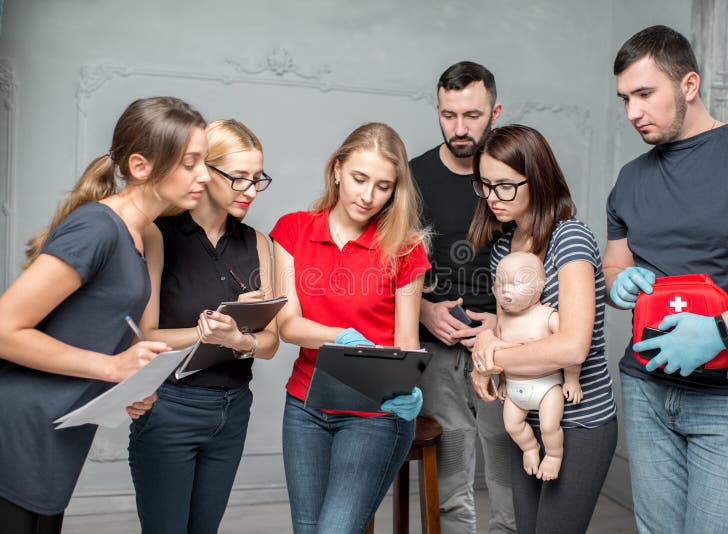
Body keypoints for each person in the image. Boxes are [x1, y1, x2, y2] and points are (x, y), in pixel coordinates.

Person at [604, 25, 728, 534]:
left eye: (645, 94)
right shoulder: (630, 178)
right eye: (625, 99)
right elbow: (614, 266)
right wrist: (620, 283)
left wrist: (719, 332)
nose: (633, 113)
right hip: (647, 389)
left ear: (688, 85)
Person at [0, 96, 208, 533]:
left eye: (203, 162)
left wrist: (127, 384)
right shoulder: (98, 227)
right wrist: (112, 367)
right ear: (140, 166)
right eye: (190, 163)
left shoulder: (141, 234)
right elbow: (4, 330)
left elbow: (91, 329)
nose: (204, 176)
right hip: (19, 432)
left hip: (57, 436)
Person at [270, 122, 430, 534]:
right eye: (360, 179)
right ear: (337, 169)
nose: (368, 196)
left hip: (375, 412)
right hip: (305, 408)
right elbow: (287, 324)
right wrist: (339, 337)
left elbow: (407, 342)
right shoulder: (293, 231)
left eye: (383, 186)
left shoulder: (406, 248)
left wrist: (409, 389)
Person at [127, 119, 280, 534]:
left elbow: (270, 343)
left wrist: (239, 338)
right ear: (204, 170)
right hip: (170, 406)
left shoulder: (258, 242)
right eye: (239, 178)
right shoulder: (158, 234)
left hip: (233, 410)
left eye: (258, 178)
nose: (251, 190)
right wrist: (213, 331)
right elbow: (146, 335)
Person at [469, 124, 618, 533]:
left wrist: (492, 358)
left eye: (505, 186)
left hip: (579, 421)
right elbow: (507, 328)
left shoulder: (570, 238)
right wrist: (487, 346)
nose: (492, 197)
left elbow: (572, 347)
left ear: (537, 180)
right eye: (485, 185)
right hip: (526, 419)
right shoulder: (504, 247)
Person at [410, 60, 516, 534]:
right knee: (450, 483)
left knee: (510, 480)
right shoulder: (413, 176)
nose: (459, 128)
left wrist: (503, 323)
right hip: (436, 352)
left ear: (495, 112)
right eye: (448, 115)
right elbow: (389, 266)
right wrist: (424, 311)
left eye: (472, 115)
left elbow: (540, 259)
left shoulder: (512, 176)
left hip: (504, 350)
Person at [489, 251, 583, 481]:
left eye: (516, 283)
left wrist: (572, 380)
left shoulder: (548, 316)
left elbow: (570, 351)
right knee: (512, 425)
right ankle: (530, 448)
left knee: (549, 426)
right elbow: (501, 353)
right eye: (501, 283)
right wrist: (502, 381)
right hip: (515, 390)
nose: (506, 290)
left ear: (540, 286)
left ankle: (553, 456)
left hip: (546, 387)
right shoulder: (502, 321)